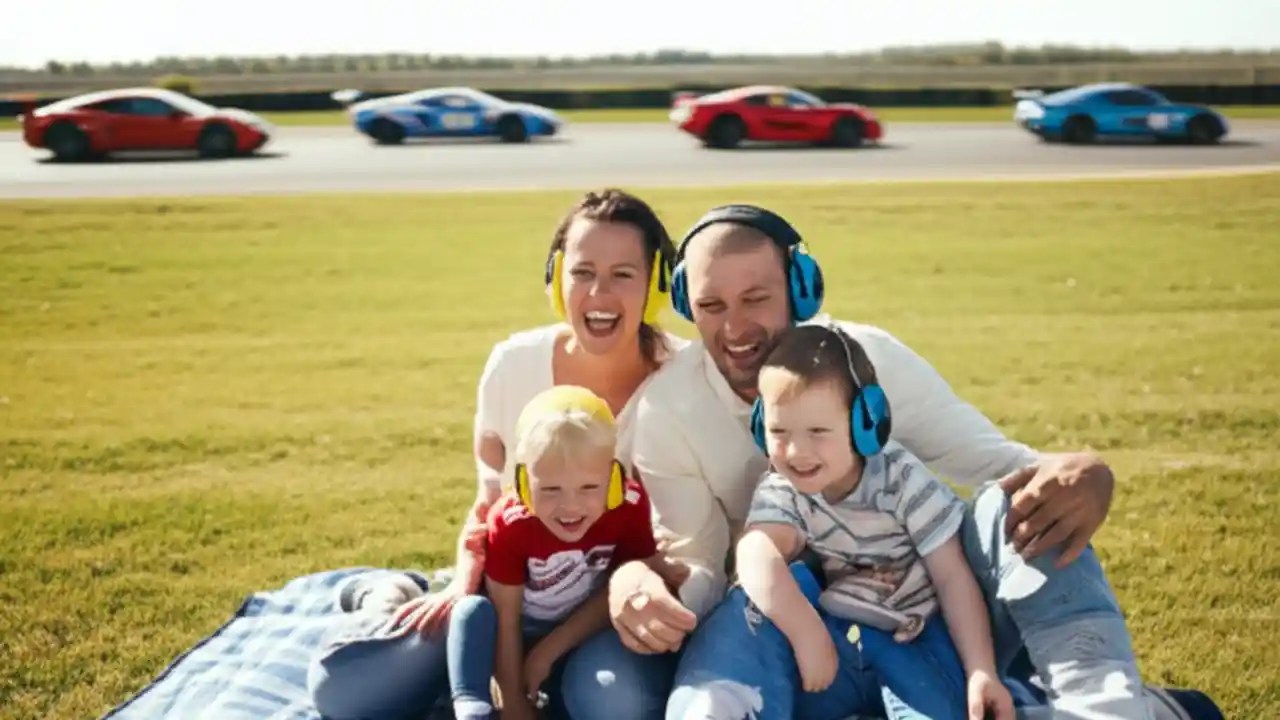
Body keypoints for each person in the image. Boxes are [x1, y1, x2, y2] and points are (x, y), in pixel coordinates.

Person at [605, 204, 1222, 719]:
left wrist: (1085, 468)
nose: (734, 328)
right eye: (711, 306)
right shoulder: (667, 410)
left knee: (1019, 504)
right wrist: (646, 580)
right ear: (686, 301)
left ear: (801, 287)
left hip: (935, 600)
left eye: (756, 298)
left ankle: (1102, 704)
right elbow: (706, 564)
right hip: (807, 622)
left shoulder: (865, 359)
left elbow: (999, 466)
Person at [306, 188, 687, 720]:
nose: (599, 293)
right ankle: (385, 596)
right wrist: (462, 592)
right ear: (557, 280)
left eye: (623, 274)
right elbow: (488, 504)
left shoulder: (686, 380)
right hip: (509, 590)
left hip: (612, 605)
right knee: (344, 694)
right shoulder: (514, 365)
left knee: (615, 704)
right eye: (582, 272)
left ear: (655, 286)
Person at [736, 323, 1013, 720]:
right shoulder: (784, 488)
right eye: (779, 431)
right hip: (844, 631)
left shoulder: (900, 480)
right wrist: (806, 633)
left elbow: (953, 577)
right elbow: (754, 551)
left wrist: (980, 669)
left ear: (865, 423)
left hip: (921, 632)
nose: (797, 451)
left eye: (818, 431)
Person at [447, 385, 667, 720]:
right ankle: (470, 704)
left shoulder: (629, 506)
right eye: (550, 489)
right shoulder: (512, 523)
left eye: (589, 488)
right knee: (470, 614)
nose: (570, 506)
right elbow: (506, 619)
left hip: (576, 630)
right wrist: (514, 701)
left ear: (612, 480)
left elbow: (619, 591)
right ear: (523, 484)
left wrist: (549, 651)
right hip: (516, 629)